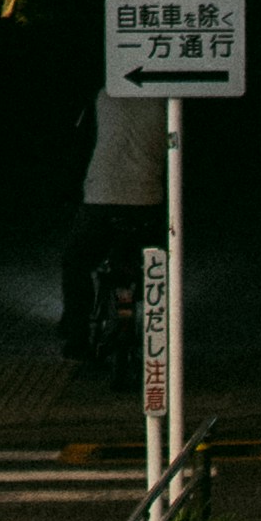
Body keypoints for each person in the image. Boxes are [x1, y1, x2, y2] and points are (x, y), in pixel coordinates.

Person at [65, 89, 166, 379]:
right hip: (148, 202)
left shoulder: (99, 97)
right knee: (158, 264)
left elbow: (79, 148)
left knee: (75, 262)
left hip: (99, 202)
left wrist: (72, 191)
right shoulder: (165, 99)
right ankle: (159, 332)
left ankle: (77, 339)